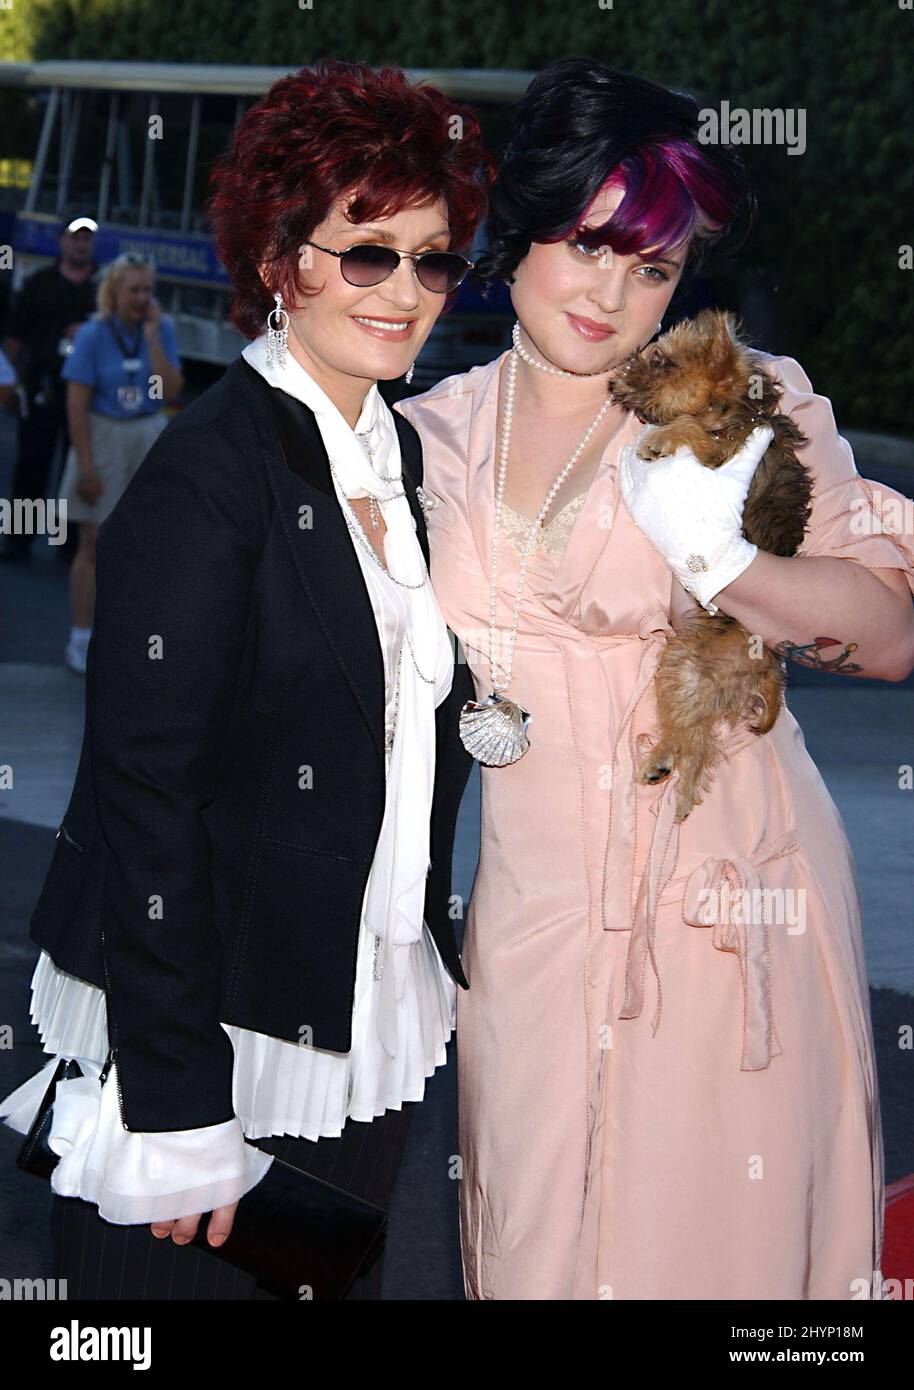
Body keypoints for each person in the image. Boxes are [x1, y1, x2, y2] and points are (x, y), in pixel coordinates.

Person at [394, 58, 914, 1300]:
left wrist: (727, 559)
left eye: (653, 267)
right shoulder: (431, 432)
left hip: (726, 907)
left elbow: (889, 633)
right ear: (517, 231)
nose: (611, 294)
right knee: (532, 1248)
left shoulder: (733, 407)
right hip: (531, 917)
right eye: (587, 245)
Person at [0, 58, 491, 1300]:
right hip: (211, 1043)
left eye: (431, 259)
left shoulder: (391, 460)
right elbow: (143, 790)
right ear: (281, 263)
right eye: (364, 251)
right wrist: (178, 1111)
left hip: (355, 1011)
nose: (405, 291)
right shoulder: (212, 469)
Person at [56, 253, 183, 675]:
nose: (142, 297)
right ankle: (80, 636)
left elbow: (170, 392)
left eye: (148, 289)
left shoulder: (160, 329)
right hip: (103, 433)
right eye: (134, 289)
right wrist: (88, 468)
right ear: (115, 291)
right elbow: (75, 404)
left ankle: (129, 636)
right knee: (92, 542)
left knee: (143, 545)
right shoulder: (94, 333)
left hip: (145, 432)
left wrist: (151, 341)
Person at [0, 216, 99, 565]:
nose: (80, 244)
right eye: (74, 238)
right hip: (42, 389)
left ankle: (70, 545)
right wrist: (10, 385)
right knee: (31, 465)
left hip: (88, 396)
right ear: (61, 241)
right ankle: (18, 541)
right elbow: (13, 337)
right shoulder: (38, 284)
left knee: (77, 468)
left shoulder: (104, 289)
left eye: (87, 239)